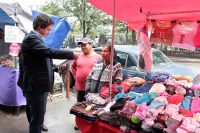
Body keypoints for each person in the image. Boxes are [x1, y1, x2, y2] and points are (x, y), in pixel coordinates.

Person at [17, 14, 78, 133]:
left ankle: (38, 124)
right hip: (35, 86)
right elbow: (48, 52)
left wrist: (54, 67)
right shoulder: (32, 38)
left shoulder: (37, 39)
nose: (49, 32)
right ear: (40, 27)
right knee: (37, 116)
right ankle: (36, 127)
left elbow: (40, 60)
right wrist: (72, 54)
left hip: (36, 84)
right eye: (48, 29)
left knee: (35, 113)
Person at [71, 37, 101, 130]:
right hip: (80, 86)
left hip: (91, 88)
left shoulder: (98, 57)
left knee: (90, 106)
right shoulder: (79, 56)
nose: (83, 47)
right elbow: (73, 66)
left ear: (91, 45)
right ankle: (78, 122)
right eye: (81, 45)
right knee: (79, 105)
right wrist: (76, 77)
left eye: (85, 45)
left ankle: (87, 123)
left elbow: (101, 71)